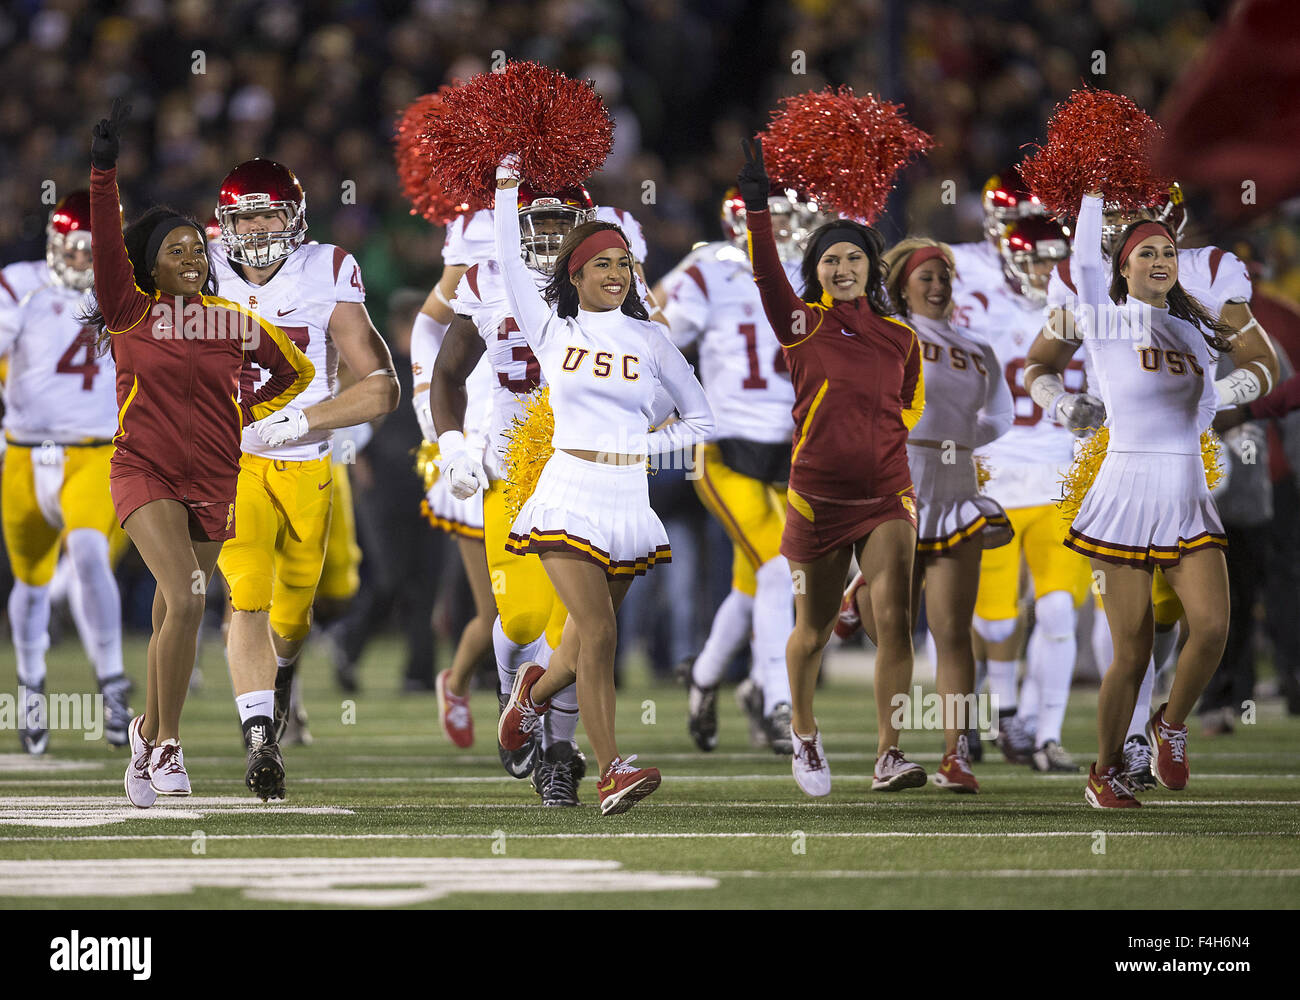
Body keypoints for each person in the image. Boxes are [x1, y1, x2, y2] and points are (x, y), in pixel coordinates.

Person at [85, 101, 314, 804]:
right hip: (144, 470)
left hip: (214, 476)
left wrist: (251, 411)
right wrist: (102, 172)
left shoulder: (231, 320)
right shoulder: (130, 312)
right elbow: (104, 245)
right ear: (149, 264)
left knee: (170, 610)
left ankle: (146, 733)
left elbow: (296, 375)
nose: (189, 258)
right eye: (174, 250)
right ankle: (166, 747)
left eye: (196, 249)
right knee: (187, 602)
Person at [1023, 189, 1278, 808]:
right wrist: (1088, 194)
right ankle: (1104, 769)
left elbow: (1264, 368)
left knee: (1213, 627)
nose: (1160, 260)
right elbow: (1073, 293)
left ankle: (1170, 724)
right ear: (1123, 265)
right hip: (1124, 493)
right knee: (1131, 651)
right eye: (1146, 254)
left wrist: (1230, 396)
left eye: (1167, 251)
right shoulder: (1105, 318)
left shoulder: (1196, 333)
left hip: (1187, 490)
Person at [491, 155, 714, 815]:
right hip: (568, 488)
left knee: (585, 639)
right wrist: (506, 188)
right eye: (601, 265)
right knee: (600, 633)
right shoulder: (553, 329)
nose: (615, 274)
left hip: (628, 497)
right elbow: (508, 259)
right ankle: (611, 768)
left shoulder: (652, 338)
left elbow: (701, 419)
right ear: (576, 276)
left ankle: (530, 696)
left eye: (622, 263)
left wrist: (645, 444)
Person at [430, 184, 652, 805]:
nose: (552, 236)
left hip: (588, 474)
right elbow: (448, 373)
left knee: (578, 628)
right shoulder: (488, 281)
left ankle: (561, 753)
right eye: (540, 222)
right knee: (522, 620)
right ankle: (513, 692)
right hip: (511, 469)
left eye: (564, 223)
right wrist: (451, 444)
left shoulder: (614, 285)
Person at [736, 138, 925, 798]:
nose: (841, 266)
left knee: (895, 621)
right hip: (816, 497)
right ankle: (805, 734)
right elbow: (764, 273)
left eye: (853, 257)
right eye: (829, 259)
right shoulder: (800, 324)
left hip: (887, 496)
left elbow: (900, 410)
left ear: (872, 265)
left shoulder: (902, 337)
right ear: (814, 271)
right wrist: (758, 209)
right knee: (812, 630)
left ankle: (889, 754)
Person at [208, 158, 398, 800]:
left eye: (268, 213)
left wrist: (305, 418)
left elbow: (381, 388)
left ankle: (283, 676)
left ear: (293, 218)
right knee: (247, 594)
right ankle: (259, 734)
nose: (258, 227)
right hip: (229, 462)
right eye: (246, 215)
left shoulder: (326, 269)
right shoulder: (197, 264)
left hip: (307, 463)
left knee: (294, 609)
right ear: (224, 223)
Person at [654, 186, 828, 755]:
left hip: (792, 453)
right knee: (781, 569)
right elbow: (658, 338)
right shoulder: (712, 269)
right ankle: (778, 701)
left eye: (791, 218)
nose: (785, 229)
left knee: (755, 580)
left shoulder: (815, 270)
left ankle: (703, 677)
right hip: (726, 446)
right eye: (773, 218)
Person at [942, 213, 1091, 775]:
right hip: (997, 478)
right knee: (996, 621)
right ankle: (1003, 710)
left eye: (1055, 259)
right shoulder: (971, 303)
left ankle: (1044, 733)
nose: (1043, 270)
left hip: (1063, 479)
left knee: (1057, 612)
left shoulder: (1088, 309)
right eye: (1032, 258)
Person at [881, 238, 1014, 792]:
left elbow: (1001, 416)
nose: (937, 287)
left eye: (943, 277)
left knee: (953, 630)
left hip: (956, 490)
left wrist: (953, 441)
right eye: (925, 278)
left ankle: (953, 754)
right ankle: (888, 753)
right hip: (900, 489)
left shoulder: (976, 347)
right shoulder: (890, 338)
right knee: (891, 629)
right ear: (903, 286)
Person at [1, 191, 132, 753]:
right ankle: (31, 685)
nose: (79, 262)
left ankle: (112, 683)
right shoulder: (18, 285)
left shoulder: (131, 293)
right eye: (70, 250)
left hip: (95, 451)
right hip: (27, 454)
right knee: (29, 580)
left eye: (90, 251)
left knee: (86, 553)